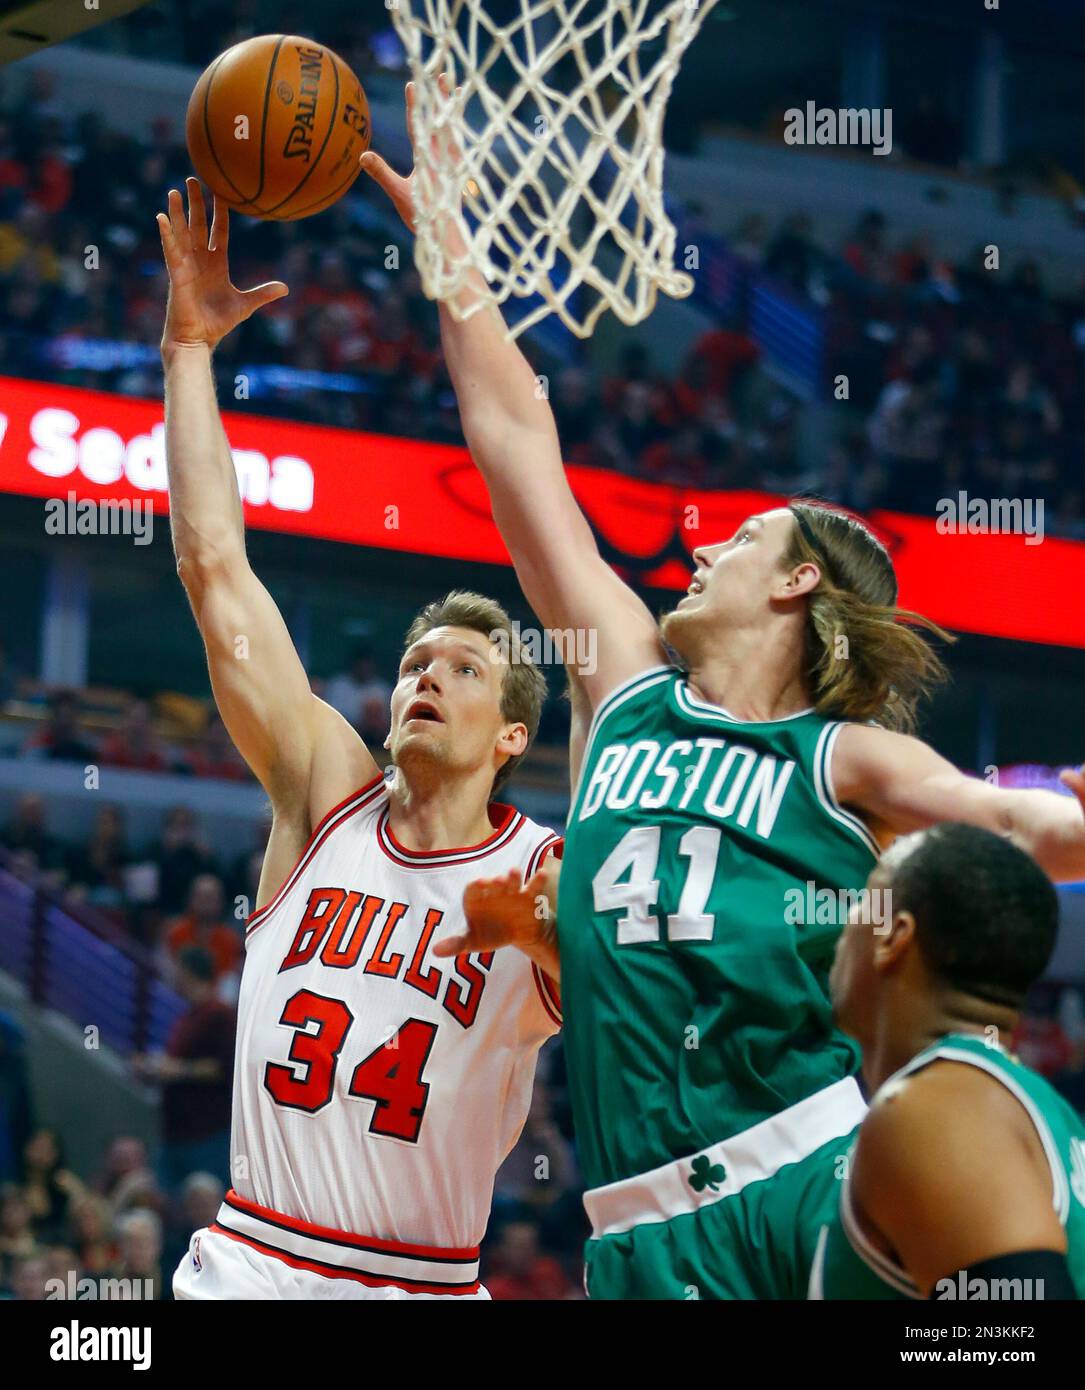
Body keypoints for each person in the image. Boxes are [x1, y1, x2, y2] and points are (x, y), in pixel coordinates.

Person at [363, 81, 1085, 1299]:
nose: (699, 552)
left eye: (736, 541)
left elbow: (1018, 827)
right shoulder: (624, 690)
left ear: (799, 578)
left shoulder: (840, 757)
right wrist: (449, 252)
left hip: (801, 1173)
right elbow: (514, 441)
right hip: (630, 1229)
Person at [156, 179, 562, 1300]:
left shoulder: (535, 870)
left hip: (424, 1282)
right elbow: (215, 574)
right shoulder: (323, 789)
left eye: (463, 668)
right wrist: (189, 352)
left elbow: (626, 1002)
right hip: (249, 1263)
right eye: (414, 662)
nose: (426, 675)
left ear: (511, 733)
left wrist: (560, 939)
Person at [811, 823, 1084, 1299]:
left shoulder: (936, 1109)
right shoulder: (1032, 1107)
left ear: (892, 937)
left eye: (861, 904)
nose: (840, 928)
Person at [133, 946, 235, 1197]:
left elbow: (222, 1068)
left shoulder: (219, 1015)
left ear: (188, 972)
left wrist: (176, 1070)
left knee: (202, 1204)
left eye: (177, 969)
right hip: (176, 1130)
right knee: (168, 1204)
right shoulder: (189, 1016)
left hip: (205, 1133)